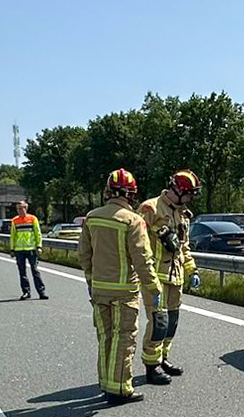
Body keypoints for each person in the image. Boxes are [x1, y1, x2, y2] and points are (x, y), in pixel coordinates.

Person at [76, 169, 165, 404]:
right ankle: (120, 389)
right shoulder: (133, 220)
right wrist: (155, 289)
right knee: (124, 339)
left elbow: (84, 254)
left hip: (99, 289)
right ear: (130, 193)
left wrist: (91, 280)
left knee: (105, 337)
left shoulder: (92, 217)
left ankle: (106, 383)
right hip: (125, 291)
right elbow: (142, 260)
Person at [137, 169, 202, 385]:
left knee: (172, 321)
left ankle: (163, 358)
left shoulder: (183, 214)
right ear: (177, 190)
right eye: (189, 193)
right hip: (156, 277)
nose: (191, 198)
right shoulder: (150, 209)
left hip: (176, 277)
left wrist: (192, 269)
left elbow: (184, 246)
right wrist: (145, 275)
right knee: (159, 321)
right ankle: (151, 365)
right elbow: (138, 244)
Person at [9, 200, 47, 300]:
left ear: (26, 208)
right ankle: (26, 292)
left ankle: (41, 292)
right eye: (18, 208)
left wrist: (39, 246)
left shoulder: (32, 219)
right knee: (22, 272)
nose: (20, 210)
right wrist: (12, 249)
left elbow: (38, 233)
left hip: (31, 249)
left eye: (22, 208)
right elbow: (13, 236)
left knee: (35, 271)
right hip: (19, 250)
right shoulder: (15, 220)